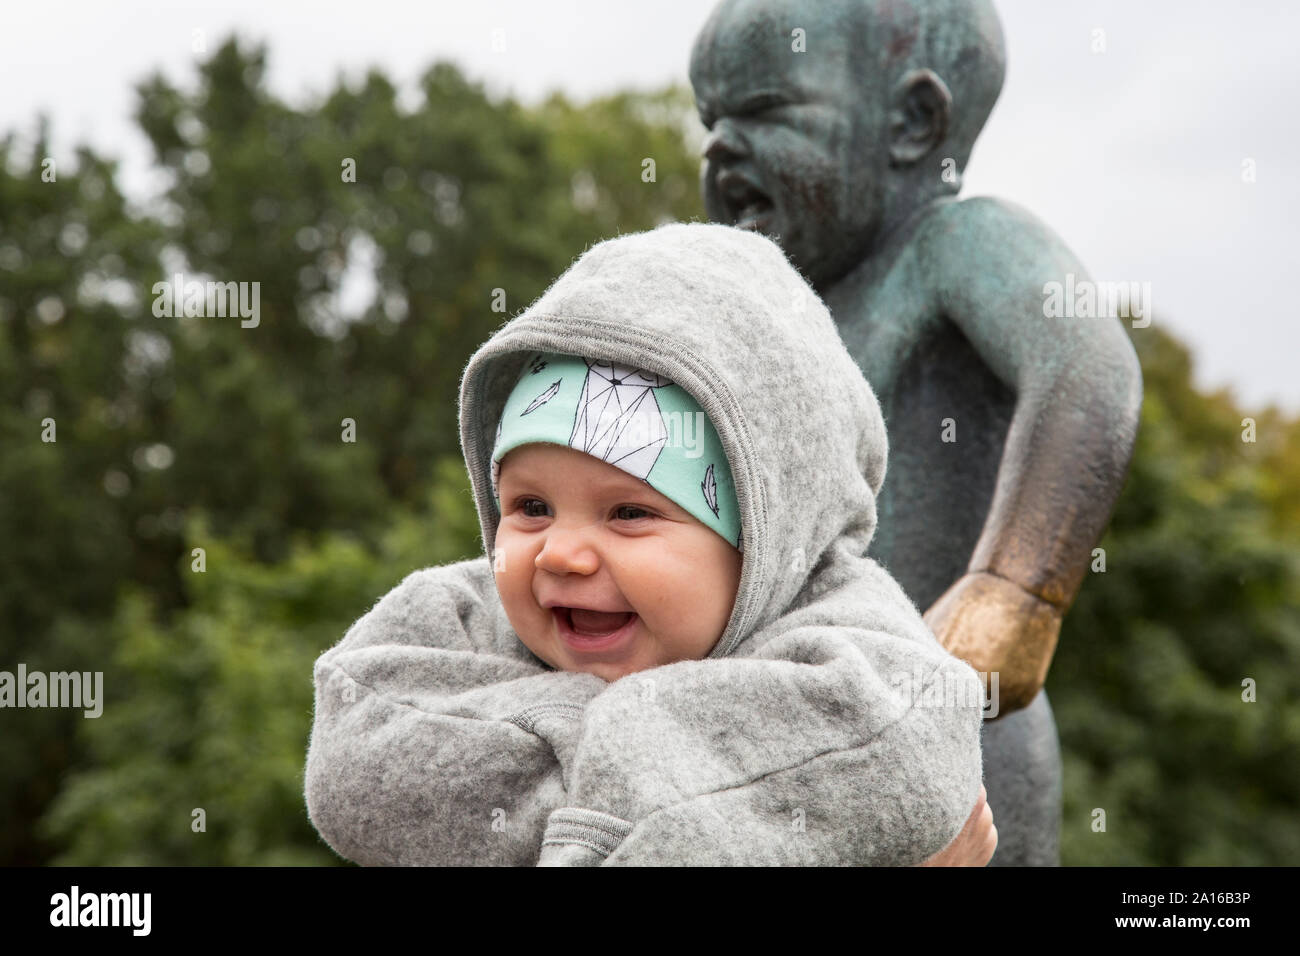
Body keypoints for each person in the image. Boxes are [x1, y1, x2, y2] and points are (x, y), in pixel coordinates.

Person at [304, 222, 994, 865]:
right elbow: (353, 751)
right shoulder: (456, 614)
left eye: (629, 512)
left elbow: (909, 755)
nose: (559, 555)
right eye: (532, 507)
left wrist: (541, 764)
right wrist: (600, 739)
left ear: (763, 536)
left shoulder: (856, 648)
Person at [691, 0, 1143, 864]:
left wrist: (1017, 590)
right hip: (793, 739)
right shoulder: (772, 317)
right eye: (711, 119)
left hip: (953, 726)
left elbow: (1089, 372)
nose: (719, 147)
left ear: (912, 122)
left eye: (764, 111)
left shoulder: (953, 247)